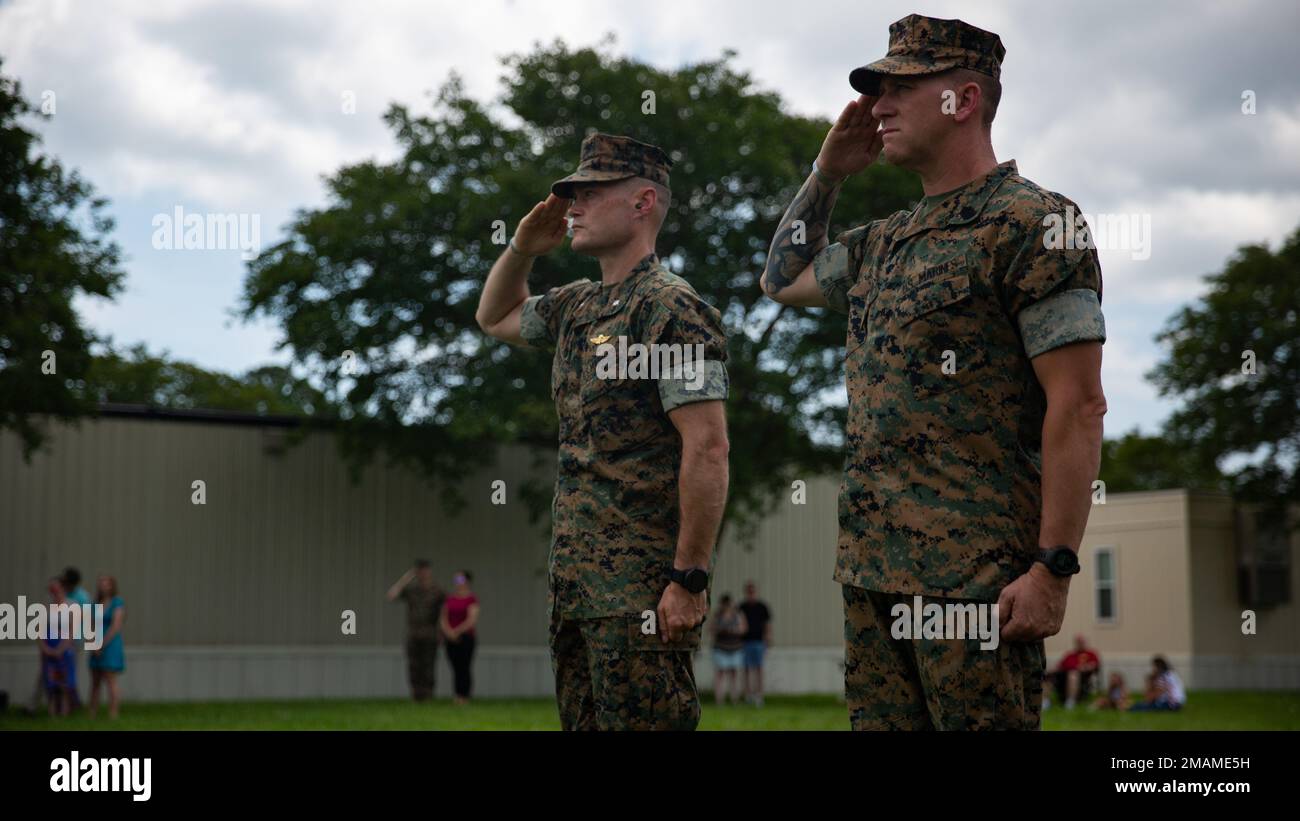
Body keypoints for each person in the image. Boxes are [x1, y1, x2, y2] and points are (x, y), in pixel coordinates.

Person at [761, 15, 1107, 730]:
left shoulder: (1034, 225)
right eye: (876, 90)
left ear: (965, 99)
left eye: (900, 89)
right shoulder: (883, 242)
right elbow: (782, 276)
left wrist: (1054, 567)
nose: (877, 107)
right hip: (871, 576)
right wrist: (827, 173)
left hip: (977, 582)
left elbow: (1077, 406)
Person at [476, 132, 730, 730]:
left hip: (641, 592)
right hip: (576, 586)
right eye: (572, 193)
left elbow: (709, 447)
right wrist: (521, 250)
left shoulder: (671, 308)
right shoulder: (577, 307)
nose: (573, 206)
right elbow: (495, 316)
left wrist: (688, 580)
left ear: (643, 203)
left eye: (590, 192)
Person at [386, 560, 445, 701]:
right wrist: (406, 578)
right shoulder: (412, 590)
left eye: (425, 571)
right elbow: (391, 595)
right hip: (413, 633)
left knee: (428, 665)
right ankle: (416, 695)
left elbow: (445, 611)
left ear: (429, 572)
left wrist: (441, 631)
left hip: (430, 633)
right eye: (419, 571)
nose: (422, 574)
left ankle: (428, 695)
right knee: (414, 665)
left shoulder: (437, 591)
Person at [87, 575, 125, 719]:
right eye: (101, 583)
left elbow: (116, 625)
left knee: (110, 680)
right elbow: (89, 624)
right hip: (94, 643)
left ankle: (113, 713)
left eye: (106, 583)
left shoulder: (117, 602)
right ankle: (92, 712)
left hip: (110, 644)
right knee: (95, 681)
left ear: (112, 586)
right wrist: (92, 643)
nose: (103, 586)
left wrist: (101, 643)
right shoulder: (95, 603)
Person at [38, 579, 77, 717]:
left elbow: (72, 631)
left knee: (64, 682)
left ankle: (65, 711)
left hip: (65, 649)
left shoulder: (71, 606)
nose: (54, 592)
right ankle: (52, 711)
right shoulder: (46, 607)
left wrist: (61, 649)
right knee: (51, 682)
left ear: (63, 589)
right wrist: (46, 649)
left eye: (56, 589)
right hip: (48, 648)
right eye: (51, 589)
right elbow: (40, 631)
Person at [441, 571, 480, 704]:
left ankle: (465, 696)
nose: (458, 582)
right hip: (450, 638)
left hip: (465, 638)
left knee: (464, 666)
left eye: (461, 579)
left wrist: (457, 631)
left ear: (468, 581)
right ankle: (457, 695)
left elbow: (471, 619)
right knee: (455, 667)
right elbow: (443, 617)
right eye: (456, 579)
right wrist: (448, 632)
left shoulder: (471, 599)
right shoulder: (450, 599)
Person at [60, 567, 91, 709]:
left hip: (75, 640)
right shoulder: (63, 593)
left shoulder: (82, 597)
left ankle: (72, 702)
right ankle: (73, 702)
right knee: (59, 672)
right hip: (58, 638)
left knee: (70, 672)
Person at [709, 594, 747, 705]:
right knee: (719, 675)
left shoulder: (738, 615)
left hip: (735, 648)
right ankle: (719, 701)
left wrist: (732, 630)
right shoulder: (717, 615)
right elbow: (711, 629)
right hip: (720, 648)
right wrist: (721, 629)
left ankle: (735, 700)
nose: (727, 606)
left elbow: (743, 629)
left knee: (734, 674)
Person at [738, 581, 772, 706]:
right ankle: (748, 695)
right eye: (749, 592)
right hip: (745, 642)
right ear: (746, 592)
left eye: (753, 591)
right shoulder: (741, 607)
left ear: (756, 592)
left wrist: (768, 640)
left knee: (759, 669)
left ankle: (759, 695)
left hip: (759, 642)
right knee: (746, 669)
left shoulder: (762, 607)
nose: (751, 594)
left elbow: (767, 625)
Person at [1044, 634, 1100, 708]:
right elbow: (1060, 665)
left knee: (1072, 674)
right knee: (1049, 676)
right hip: (1063, 676)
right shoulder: (1070, 655)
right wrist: (1052, 670)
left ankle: (1070, 701)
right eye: (1078, 642)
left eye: (1082, 642)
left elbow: (1094, 665)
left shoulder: (1091, 654)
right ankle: (1046, 701)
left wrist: (1085, 667)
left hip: (1081, 678)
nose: (1080, 644)